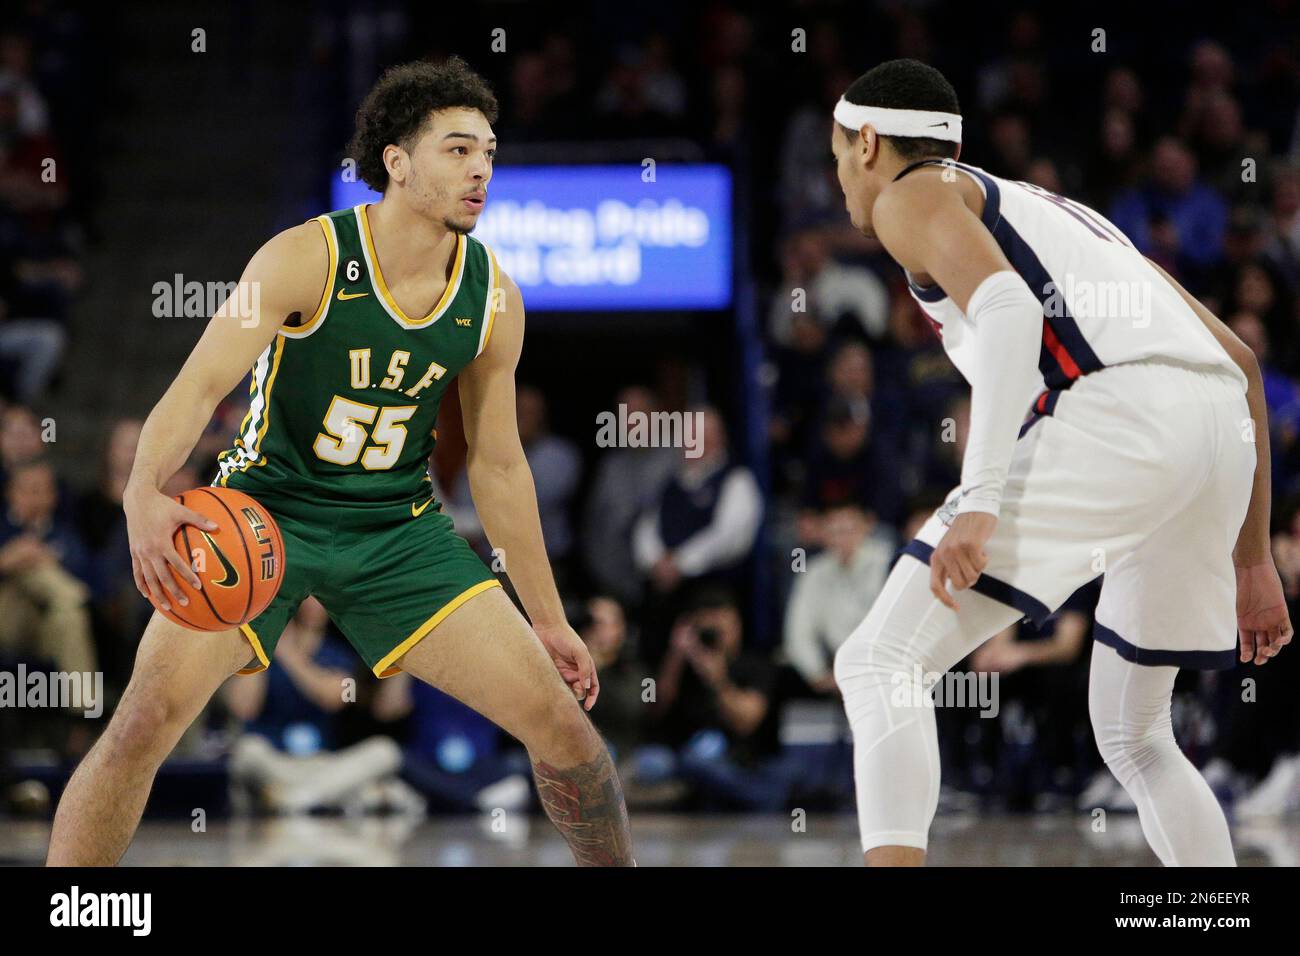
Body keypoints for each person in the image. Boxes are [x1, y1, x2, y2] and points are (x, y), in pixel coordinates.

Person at [46, 57, 632, 866]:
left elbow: (499, 468)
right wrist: (142, 491)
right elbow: (196, 388)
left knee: (567, 733)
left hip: (398, 530)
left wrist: (549, 615)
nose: (481, 170)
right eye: (458, 150)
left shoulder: (494, 296)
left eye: (489, 153)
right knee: (144, 720)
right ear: (396, 161)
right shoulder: (304, 259)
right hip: (264, 518)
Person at [829, 59, 1291, 867]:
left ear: (868, 142)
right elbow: (1243, 364)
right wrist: (1253, 560)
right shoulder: (1068, 220)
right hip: (1215, 429)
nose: (838, 179)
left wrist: (980, 499)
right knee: (1136, 736)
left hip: (1119, 415)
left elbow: (1007, 311)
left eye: (837, 155)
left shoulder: (912, 190)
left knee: (879, 659)